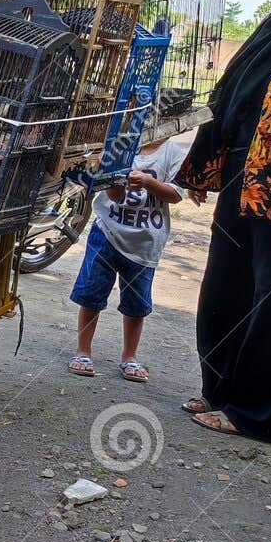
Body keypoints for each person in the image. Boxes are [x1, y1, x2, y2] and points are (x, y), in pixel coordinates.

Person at [178, 11, 271, 439]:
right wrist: (205, 160)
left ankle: (256, 411)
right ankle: (219, 390)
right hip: (244, 172)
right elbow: (233, 89)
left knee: (270, 294)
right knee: (225, 283)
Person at [68, 112, 186, 382]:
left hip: (146, 242)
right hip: (107, 232)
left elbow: (177, 194)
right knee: (91, 294)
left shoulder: (172, 152)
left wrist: (148, 182)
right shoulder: (121, 146)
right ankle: (83, 351)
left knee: (136, 303)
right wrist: (118, 182)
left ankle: (129, 357)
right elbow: (113, 193)